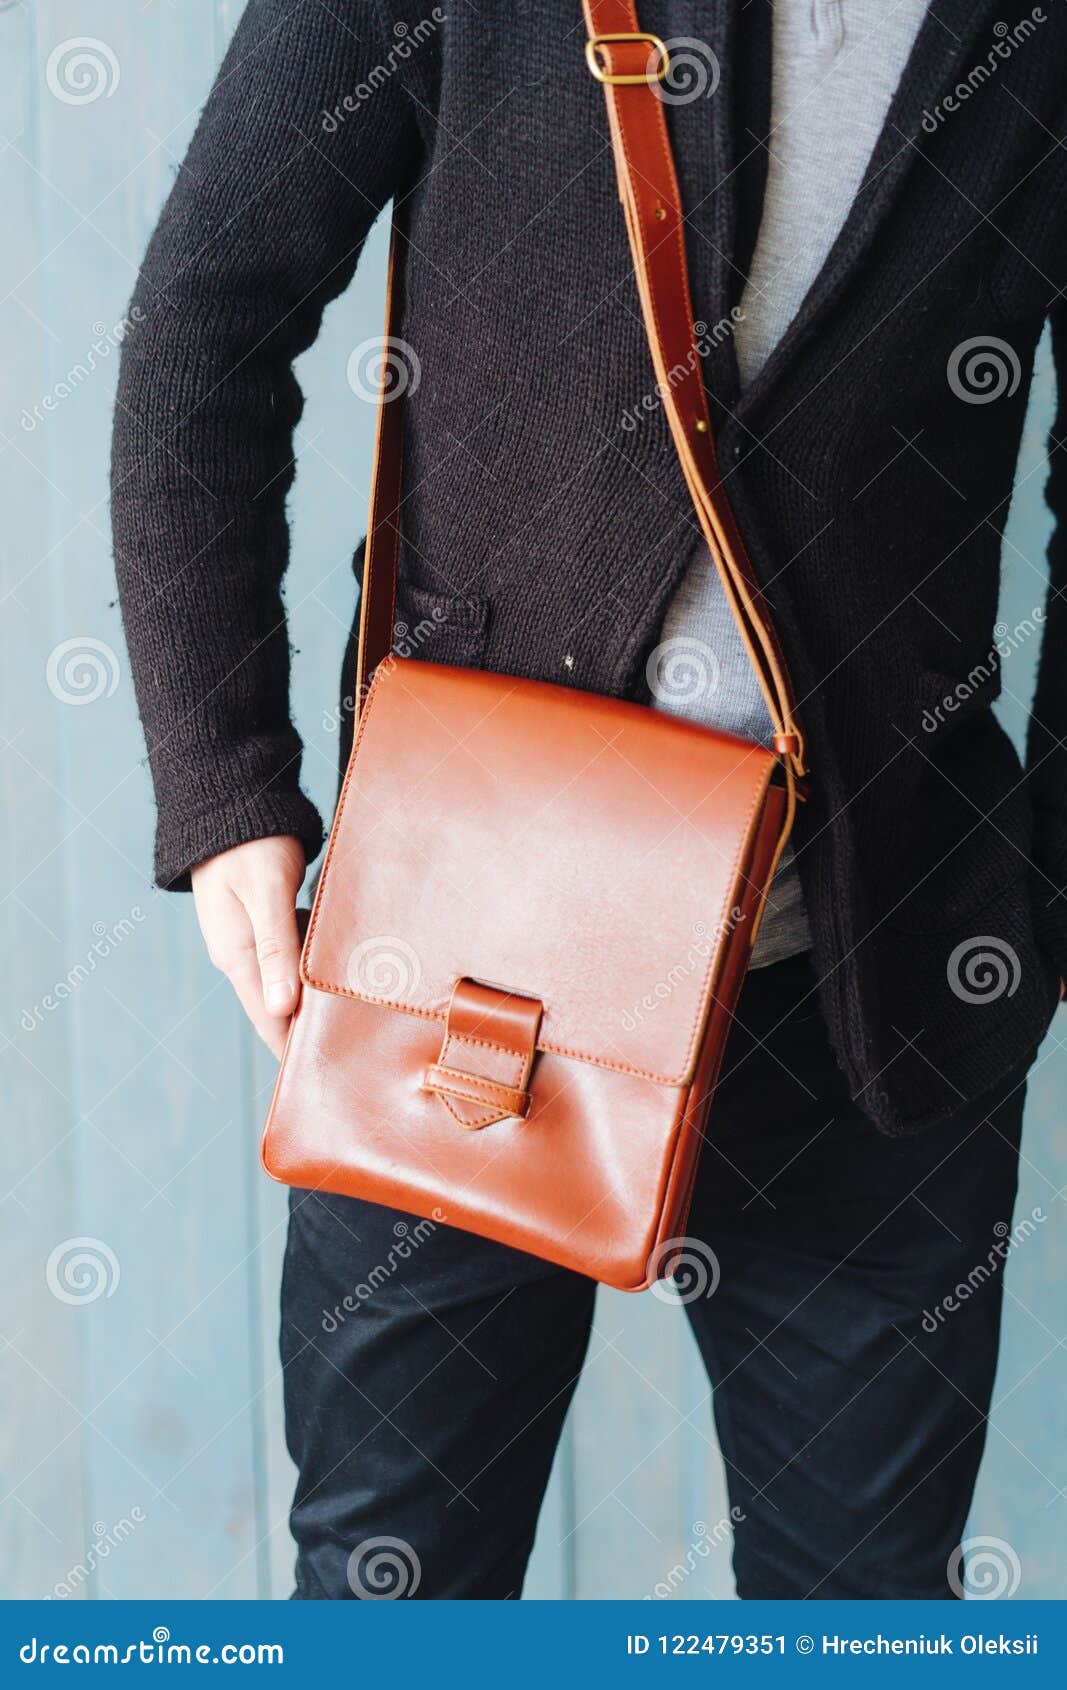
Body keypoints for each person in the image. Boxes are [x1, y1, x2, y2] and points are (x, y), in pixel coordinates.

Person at [111, 0, 1066, 1599]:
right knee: (392, 1595)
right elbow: (208, 315)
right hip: (466, 955)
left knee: (863, 1621)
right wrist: (223, 789)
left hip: (886, 970)